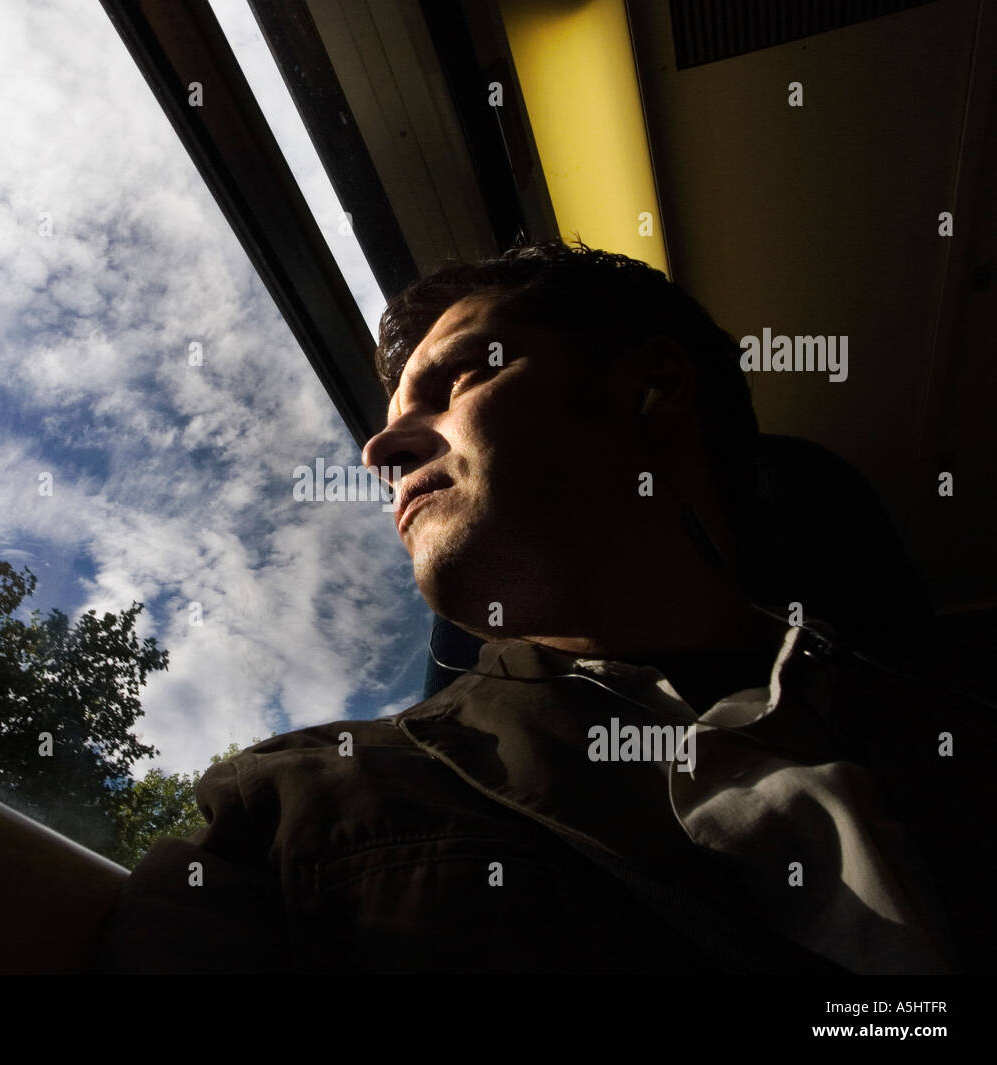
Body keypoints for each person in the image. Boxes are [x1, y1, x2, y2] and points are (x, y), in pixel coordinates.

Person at [87, 239, 986, 973]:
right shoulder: (298, 811)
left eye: (457, 382)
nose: (380, 449)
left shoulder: (957, 734)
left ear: (656, 389)